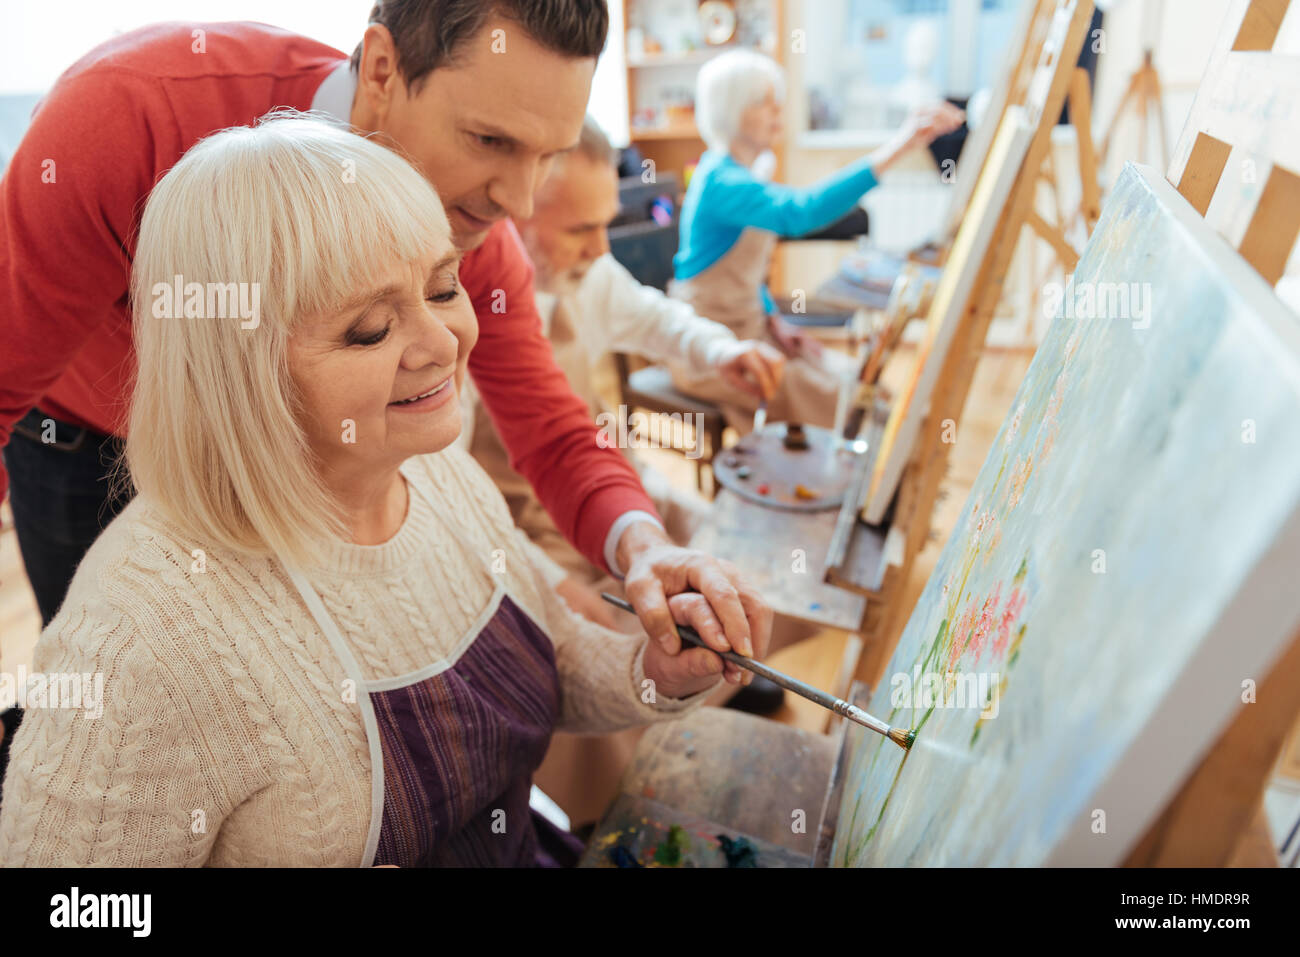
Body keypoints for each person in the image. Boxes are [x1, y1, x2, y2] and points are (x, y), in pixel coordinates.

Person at [0, 2, 770, 783]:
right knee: (127, 728)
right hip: (87, 441)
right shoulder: (128, 117)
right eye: (491, 140)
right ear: (380, 70)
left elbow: (553, 428)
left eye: (548, 154)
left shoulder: (474, 224)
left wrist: (645, 546)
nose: (522, 202)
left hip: (312, 463)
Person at [467, 116, 785, 626]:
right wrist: (552, 583)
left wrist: (720, 350)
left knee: (744, 573)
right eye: (580, 228)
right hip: (528, 532)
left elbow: (655, 316)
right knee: (631, 650)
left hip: (617, 487)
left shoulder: (588, 273)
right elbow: (454, 505)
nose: (601, 248)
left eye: (604, 223)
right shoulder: (465, 321)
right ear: (512, 217)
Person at [668, 49, 965, 430]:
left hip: (750, 328)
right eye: (765, 104)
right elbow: (800, 213)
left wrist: (775, 320)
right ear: (733, 109)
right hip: (709, 344)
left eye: (778, 102)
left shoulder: (744, 172)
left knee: (851, 378)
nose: (778, 113)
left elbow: (745, 274)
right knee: (842, 400)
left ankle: (868, 475)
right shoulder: (722, 181)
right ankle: (868, 478)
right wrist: (898, 148)